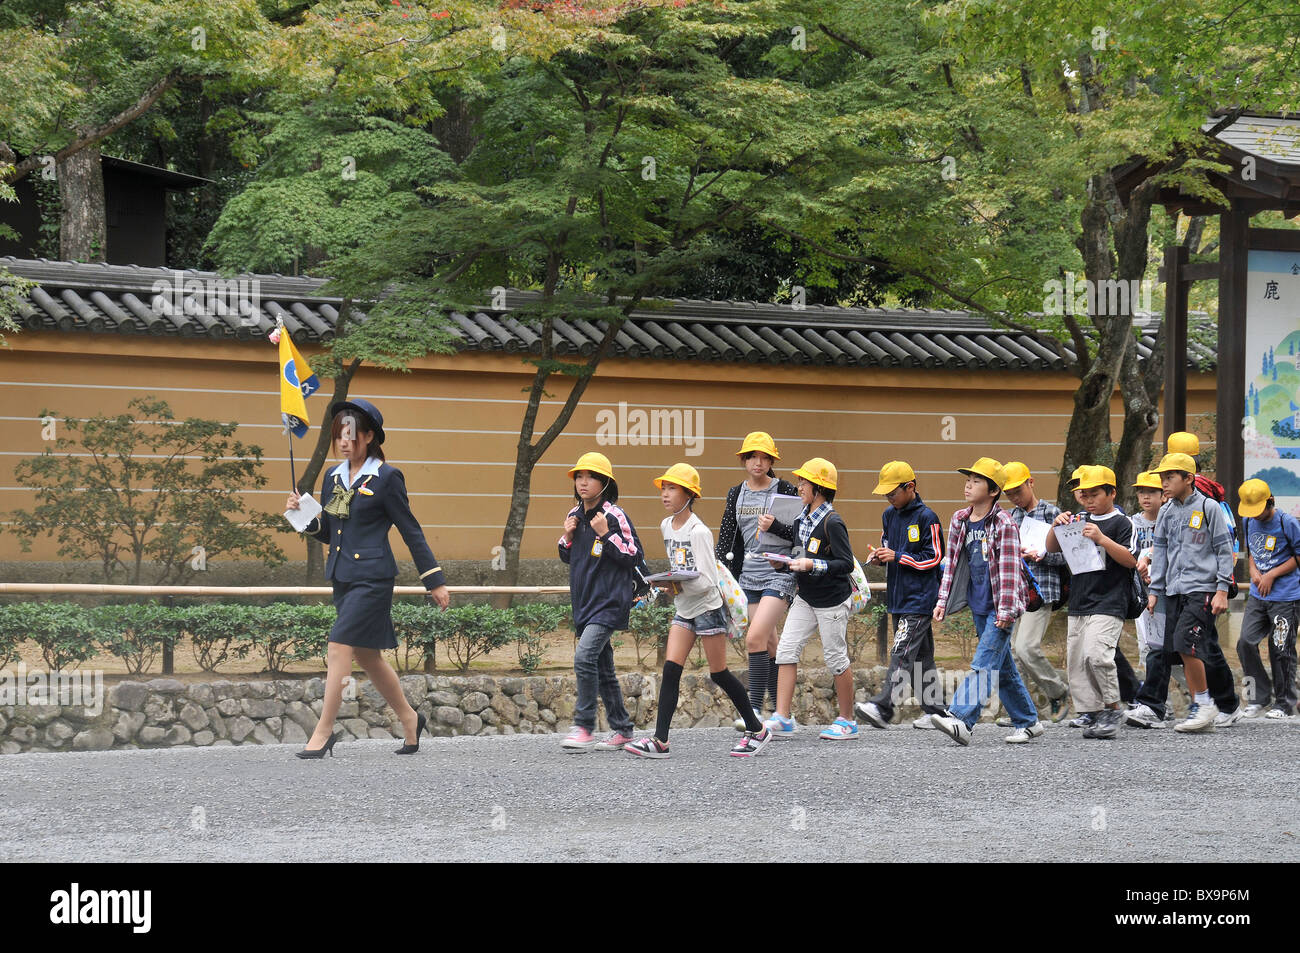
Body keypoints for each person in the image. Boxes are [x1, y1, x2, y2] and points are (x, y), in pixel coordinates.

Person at [286, 398, 450, 758]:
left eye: (352, 434)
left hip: (374, 578)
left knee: (338, 646)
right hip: (342, 576)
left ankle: (324, 730)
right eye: (339, 436)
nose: (344, 442)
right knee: (367, 656)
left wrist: (433, 580)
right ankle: (410, 719)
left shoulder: (387, 477)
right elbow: (329, 531)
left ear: (369, 435)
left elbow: (410, 529)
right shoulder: (332, 477)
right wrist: (304, 516)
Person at [625, 465, 772, 758]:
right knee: (670, 669)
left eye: (672, 489)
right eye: (663, 488)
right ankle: (660, 741)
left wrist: (676, 584)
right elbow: (682, 571)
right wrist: (671, 585)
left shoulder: (699, 531)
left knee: (719, 673)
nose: (665, 494)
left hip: (707, 608)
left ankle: (757, 729)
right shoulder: (666, 525)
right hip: (685, 608)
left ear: (689, 494)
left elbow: (707, 580)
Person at [930, 458, 1043, 745]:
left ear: (993, 491)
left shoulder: (1003, 523)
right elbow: (952, 563)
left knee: (983, 663)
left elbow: (1008, 571)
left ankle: (961, 719)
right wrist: (943, 599)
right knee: (1001, 666)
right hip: (978, 603)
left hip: (1001, 606)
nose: (968, 485)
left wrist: (1005, 612)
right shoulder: (960, 519)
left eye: (976, 481)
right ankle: (1028, 722)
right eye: (968, 480)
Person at [762, 458, 860, 740]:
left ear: (818, 488)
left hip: (832, 601)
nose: (799, 485)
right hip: (806, 597)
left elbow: (846, 564)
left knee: (836, 659)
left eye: (804, 482)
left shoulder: (833, 521)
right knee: (786, 650)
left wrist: (812, 565)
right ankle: (782, 717)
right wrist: (782, 561)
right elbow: (796, 543)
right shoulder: (801, 516)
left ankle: (848, 721)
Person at [1144, 452, 1241, 732]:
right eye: (1162, 477)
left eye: (1170, 477)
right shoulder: (1166, 511)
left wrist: (1222, 589)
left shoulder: (1209, 507)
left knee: (1187, 642)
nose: (1163, 483)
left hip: (1203, 589)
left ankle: (1204, 704)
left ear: (1189, 478)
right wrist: (1155, 591)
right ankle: (1214, 704)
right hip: (1173, 590)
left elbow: (1225, 550)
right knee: (1180, 649)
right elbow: (1159, 552)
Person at [714, 432, 799, 728]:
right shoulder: (736, 493)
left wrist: (776, 525)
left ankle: (752, 713)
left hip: (779, 574)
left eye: (764, 458)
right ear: (744, 460)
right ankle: (782, 715)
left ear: (771, 461)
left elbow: (799, 532)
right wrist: (720, 573)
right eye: (752, 457)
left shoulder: (786, 489)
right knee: (770, 644)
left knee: (754, 639)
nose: (758, 463)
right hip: (748, 576)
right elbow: (727, 536)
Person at [1045, 466, 1135, 739]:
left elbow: (1130, 560)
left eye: (1094, 494)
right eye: (1083, 495)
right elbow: (1051, 547)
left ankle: (1113, 708)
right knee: (1077, 661)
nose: (1088, 500)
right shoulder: (1078, 518)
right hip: (1080, 599)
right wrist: (1056, 526)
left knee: (1097, 654)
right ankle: (1092, 712)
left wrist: (1102, 538)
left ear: (1111, 493)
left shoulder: (1122, 523)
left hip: (1110, 600)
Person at [855, 461, 947, 730]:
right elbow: (887, 545)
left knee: (901, 651)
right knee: (921, 658)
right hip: (897, 597)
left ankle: (883, 707)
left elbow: (934, 558)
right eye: (885, 494)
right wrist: (880, 557)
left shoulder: (927, 517)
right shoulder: (889, 515)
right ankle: (936, 711)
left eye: (893, 493)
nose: (889, 498)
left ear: (911, 487)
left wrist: (898, 557)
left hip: (919, 599)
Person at [558, 452, 639, 752]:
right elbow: (568, 555)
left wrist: (605, 535)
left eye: (590, 476)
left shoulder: (615, 516)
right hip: (585, 605)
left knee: (583, 658)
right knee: (603, 668)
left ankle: (583, 725)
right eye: (579, 476)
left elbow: (634, 555)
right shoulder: (574, 515)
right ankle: (623, 729)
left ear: (604, 483)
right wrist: (567, 537)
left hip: (609, 603)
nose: (583, 481)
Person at [1001, 461, 1071, 723]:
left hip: (1042, 590)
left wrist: (1042, 555)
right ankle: (1022, 711)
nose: (1014, 497)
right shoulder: (1010, 517)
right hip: (1016, 589)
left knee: (1026, 647)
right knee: (1011, 651)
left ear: (1031, 482)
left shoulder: (1053, 513)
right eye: (1009, 494)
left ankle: (1058, 691)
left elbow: (1067, 557)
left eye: (1018, 490)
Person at [1235, 479, 1300, 719]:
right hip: (1257, 595)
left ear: (1270, 502)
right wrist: (1253, 572)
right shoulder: (1248, 520)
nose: (1255, 515)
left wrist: (1272, 574)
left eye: (1259, 510)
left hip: (1286, 597)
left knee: (1280, 648)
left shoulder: (1287, 522)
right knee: (1245, 642)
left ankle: (1284, 703)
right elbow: (1253, 552)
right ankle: (1258, 697)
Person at [1128, 471, 1189, 724]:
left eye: (1151, 492)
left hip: (1171, 590)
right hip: (1143, 592)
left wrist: (1149, 556)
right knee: (1148, 647)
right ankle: (1159, 704)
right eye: (1141, 492)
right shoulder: (1131, 522)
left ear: (1162, 495)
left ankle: (1198, 696)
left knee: (1175, 649)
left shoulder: (1172, 517)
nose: (1145, 497)